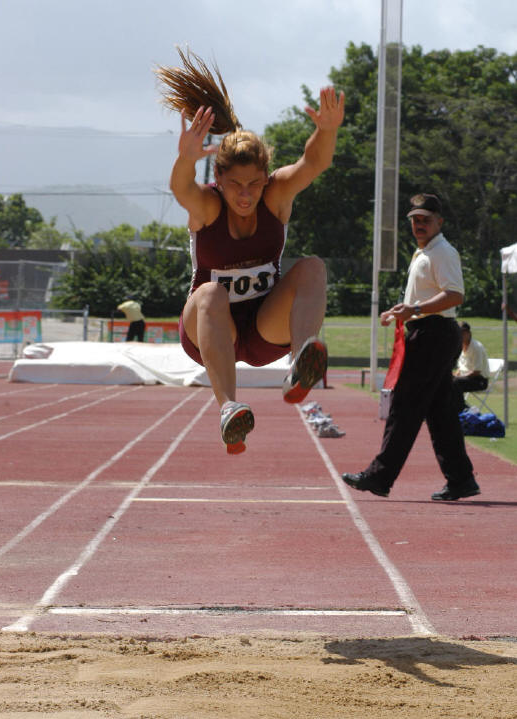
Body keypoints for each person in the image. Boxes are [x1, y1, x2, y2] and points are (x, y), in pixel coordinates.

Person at [156, 48, 344, 454]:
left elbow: (312, 163)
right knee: (210, 292)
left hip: (262, 329)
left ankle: (300, 364)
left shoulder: (275, 198)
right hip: (209, 330)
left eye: (255, 184)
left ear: (265, 178)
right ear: (219, 178)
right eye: (236, 185)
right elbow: (181, 189)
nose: (246, 195)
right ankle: (228, 410)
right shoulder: (208, 206)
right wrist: (186, 159)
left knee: (312, 267)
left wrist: (326, 130)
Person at [342, 193, 480, 501]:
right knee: (440, 411)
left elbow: (455, 295)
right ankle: (461, 479)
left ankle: (380, 477)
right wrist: (403, 310)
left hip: (433, 335)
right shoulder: (425, 252)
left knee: (405, 406)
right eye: (415, 220)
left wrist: (415, 311)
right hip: (431, 332)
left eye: (425, 220)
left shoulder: (442, 252)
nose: (419, 225)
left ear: (439, 222)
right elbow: (431, 299)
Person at [452, 321, 490, 413]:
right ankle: (458, 410)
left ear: (469, 333)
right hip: (465, 378)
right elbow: (462, 368)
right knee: (445, 382)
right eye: (458, 333)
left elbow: (476, 371)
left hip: (479, 380)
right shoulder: (460, 347)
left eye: (462, 333)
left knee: (455, 383)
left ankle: (464, 410)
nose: (460, 335)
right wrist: (454, 375)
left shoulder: (476, 347)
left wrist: (458, 377)